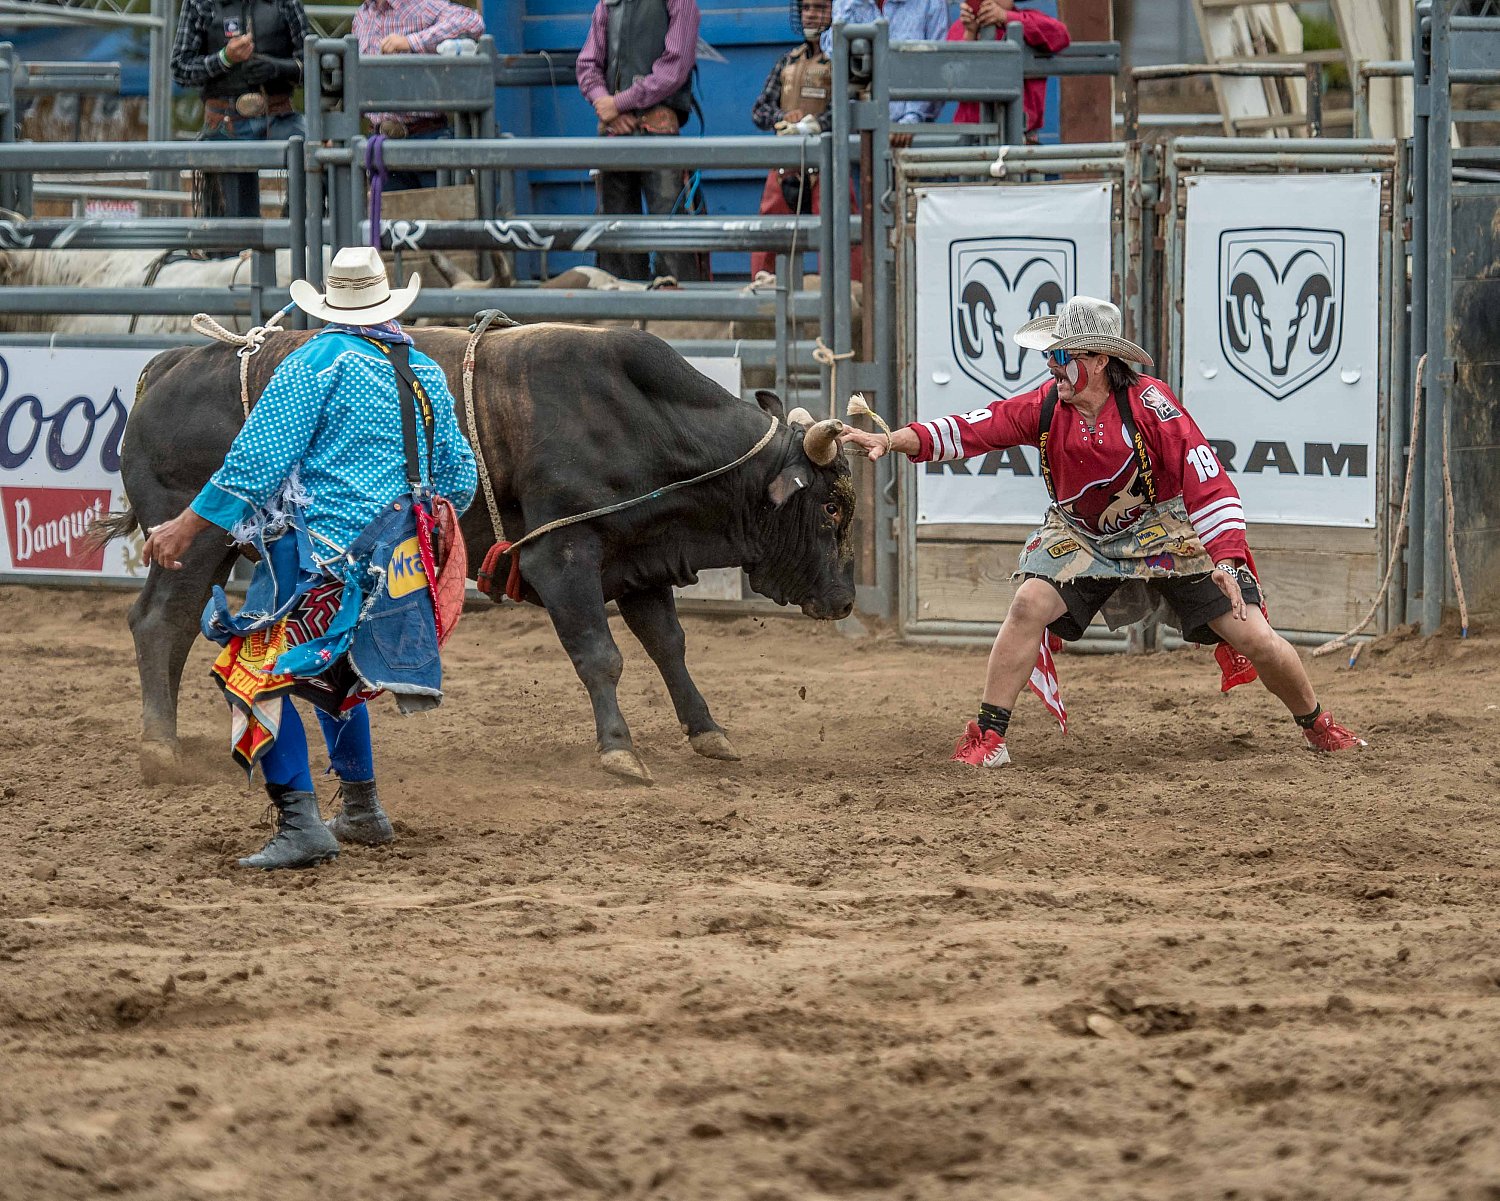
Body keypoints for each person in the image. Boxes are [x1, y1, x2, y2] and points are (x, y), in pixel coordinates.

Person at [837, 295, 1367, 767]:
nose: (1052, 366)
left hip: (1162, 529)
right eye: (1051, 355)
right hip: (1081, 533)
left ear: (1098, 361)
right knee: (1028, 605)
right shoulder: (1046, 404)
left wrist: (1227, 556)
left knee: (1254, 636)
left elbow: (1205, 474)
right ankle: (989, 734)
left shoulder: (1152, 405)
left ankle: (1317, 723)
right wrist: (897, 440)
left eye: (1062, 356)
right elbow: (979, 425)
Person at [142, 246, 477, 868]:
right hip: (398, 561)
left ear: (329, 303)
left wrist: (187, 526)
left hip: (323, 557)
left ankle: (300, 821)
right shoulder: (423, 370)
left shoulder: (316, 362)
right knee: (333, 677)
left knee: (254, 675)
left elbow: (256, 460)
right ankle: (360, 806)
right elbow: (458, 479)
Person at [576, 0, 705, 282]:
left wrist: (617, 104)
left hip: (657, 136)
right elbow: (587, 65)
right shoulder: (608, 4)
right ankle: (617, 319)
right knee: (615, 239)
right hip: (616, 133)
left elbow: (674, 67)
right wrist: (605, 105)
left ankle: (681, 321)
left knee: (671, 238)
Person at [748, 0, 862, 283]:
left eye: (820, 7)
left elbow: (848, 109)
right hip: (786, 162)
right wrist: (785, 117)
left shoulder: (843, 61)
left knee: (841, 235)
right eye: (806, 8)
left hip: (829, 162)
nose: (811, 14)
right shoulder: (788, 61)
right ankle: (761, 300)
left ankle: (850, 297)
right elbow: (760, 110)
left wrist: (815, 125)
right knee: (769, 234)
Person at [170, 0, 311, 219]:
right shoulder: (201, 3)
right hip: (225, 121)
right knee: (231, 227)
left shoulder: (286, 2)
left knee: (317, 154)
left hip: (280, 115)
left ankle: (300, 234)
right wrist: (224, 59)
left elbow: (315, 64)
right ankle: (228, 247)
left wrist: (280, 68)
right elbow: (180, 68)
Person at [353, 0, 487, 190]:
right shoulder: (361, 17)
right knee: (388, 216)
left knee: (441, 215)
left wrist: (411, 42)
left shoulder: (420, 5)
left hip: (428, 138)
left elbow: (471, 21)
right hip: (382, 146)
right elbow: (358, 81)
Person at [821, 0, 949, 136]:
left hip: (909, 133)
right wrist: (847, 7)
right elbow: (833, 53)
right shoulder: (849, 3)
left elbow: (937, 68)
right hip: (852, 127)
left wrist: (910, 121)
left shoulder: (932, 3)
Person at [947, 0, 1070, 140]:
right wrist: (970, 34)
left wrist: (1006, 17)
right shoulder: (960, 28)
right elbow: (951, 77)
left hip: (1023, 136)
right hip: (971, 136)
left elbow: (1060, 36)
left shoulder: (1029, 18)